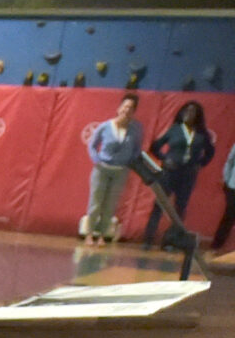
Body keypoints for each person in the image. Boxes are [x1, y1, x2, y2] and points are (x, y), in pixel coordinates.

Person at [146, 99, 215, 249]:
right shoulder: (174, 129)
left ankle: (170, 240)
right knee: (159, 204)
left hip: (188, 175)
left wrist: (200, 163)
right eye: (186, 111)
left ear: (197, 116)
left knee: (180, 208)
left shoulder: (202, 134)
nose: (188, 114)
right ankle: (148, 240)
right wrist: (165, 159)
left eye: (192, 112)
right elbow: (155, 146)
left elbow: (210, 152)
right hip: (169, 173)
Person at [83, 94, 141, 244]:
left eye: (130, 108)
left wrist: (129, 162)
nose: (127, 110)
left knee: (110, 205)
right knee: (96, 202)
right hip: (102, 169)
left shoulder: (135, 129)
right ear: (119, 108)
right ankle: (89, 234)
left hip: (120, 171)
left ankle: (102, 235)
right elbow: (92, 145)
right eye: (125, 106)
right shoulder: (105, 126)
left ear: (134, 111)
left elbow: (136, 149)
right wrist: (97, 160)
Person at [216, 135, 235, 252]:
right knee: (229, 215)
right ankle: (217, 244)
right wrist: (226, 178)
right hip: (233, 185)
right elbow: (230, 161)